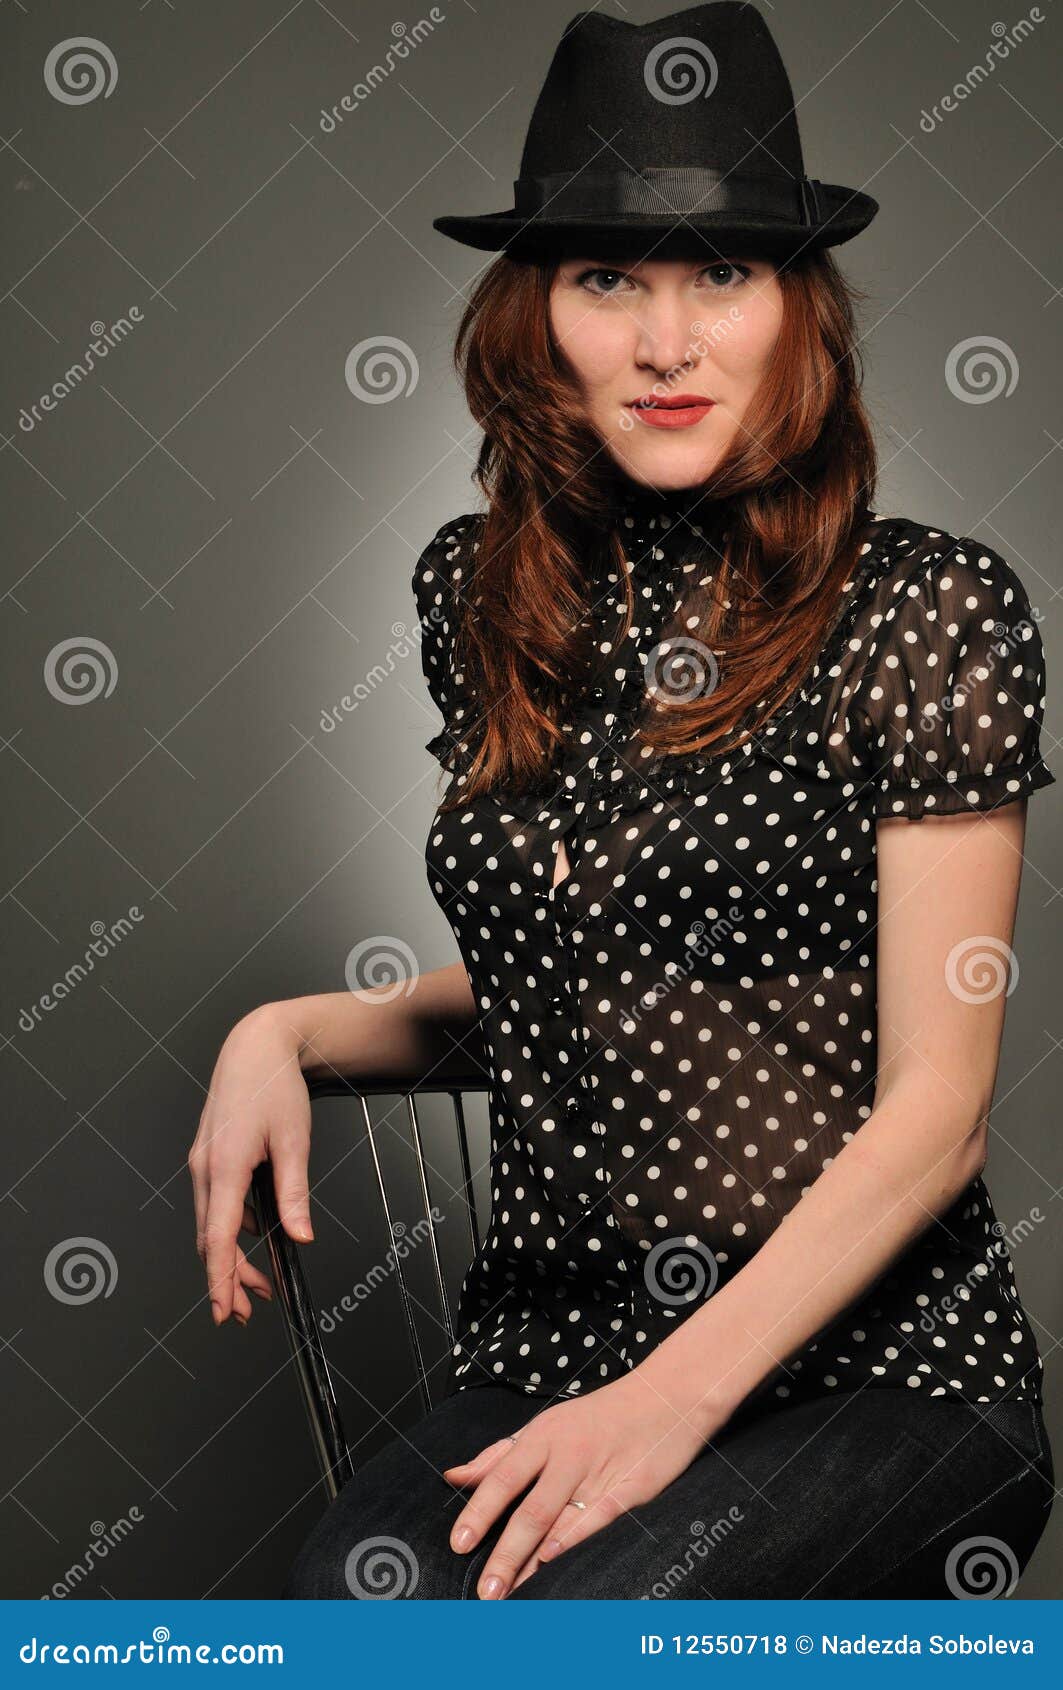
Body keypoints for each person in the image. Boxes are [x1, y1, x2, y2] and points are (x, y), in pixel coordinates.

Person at [188, 3, 1056, 1599]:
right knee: (347, 1609)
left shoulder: (927, 608)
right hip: (557, 1345)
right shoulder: (481, 597)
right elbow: (576, 982)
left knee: (564, 1633)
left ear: (799, 309)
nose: (667, 345)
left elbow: (938, 1112)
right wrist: (285, 1031)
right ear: (538, 314)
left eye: (721, 275)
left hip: (877, 1372)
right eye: (607, 279)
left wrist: (668, 1402)